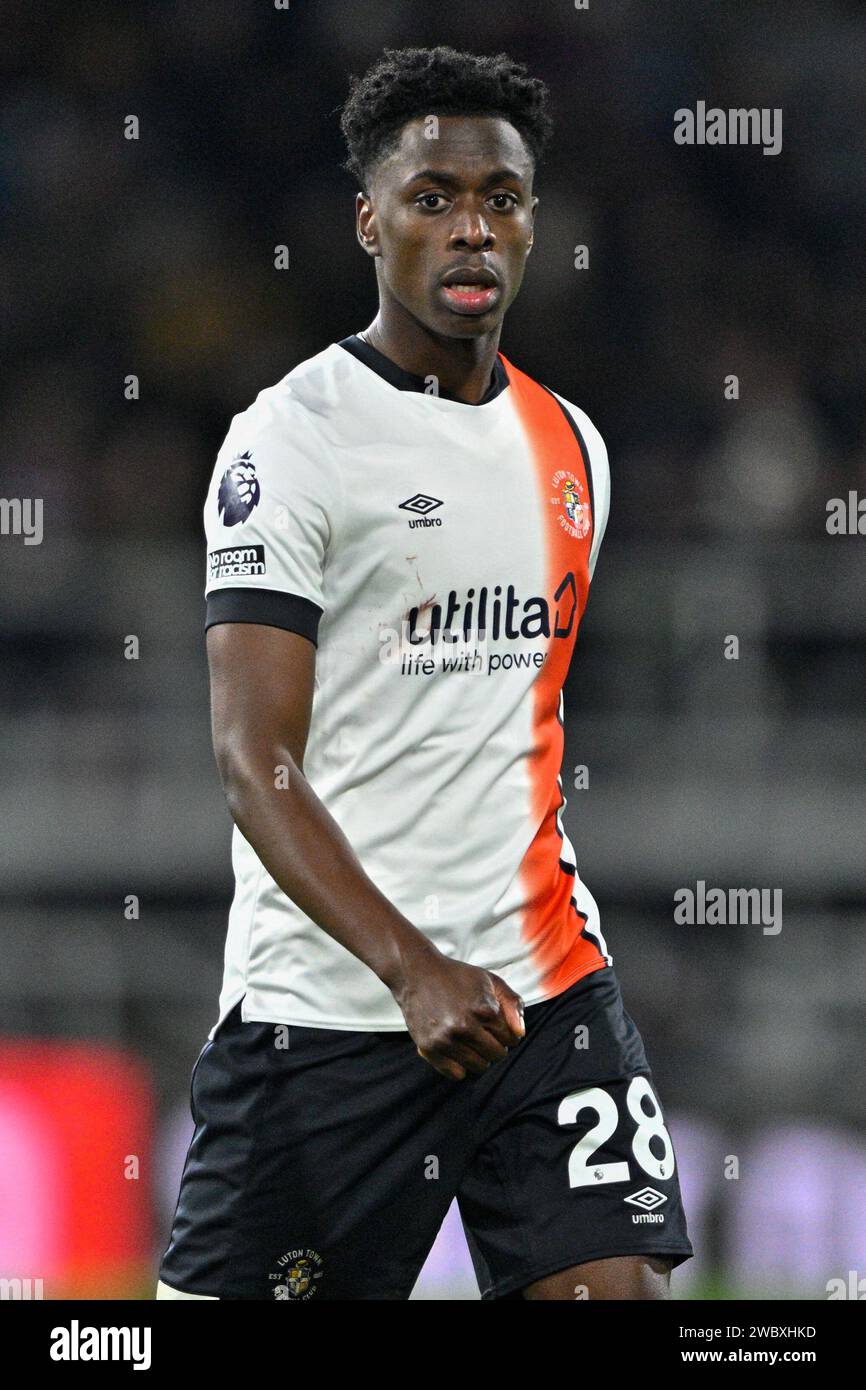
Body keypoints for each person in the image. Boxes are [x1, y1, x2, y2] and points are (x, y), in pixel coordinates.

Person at [157, 45, 693, 1301]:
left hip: (540, 996)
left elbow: (515, 723)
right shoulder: (290, 441)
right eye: (432, 197)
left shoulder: (573, 448)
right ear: (368, 221)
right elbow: (254, 758)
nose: (470, 229)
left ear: (531, 223)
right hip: (333, 1016)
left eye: (498, 199)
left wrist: (480, 957)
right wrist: (410, 968)